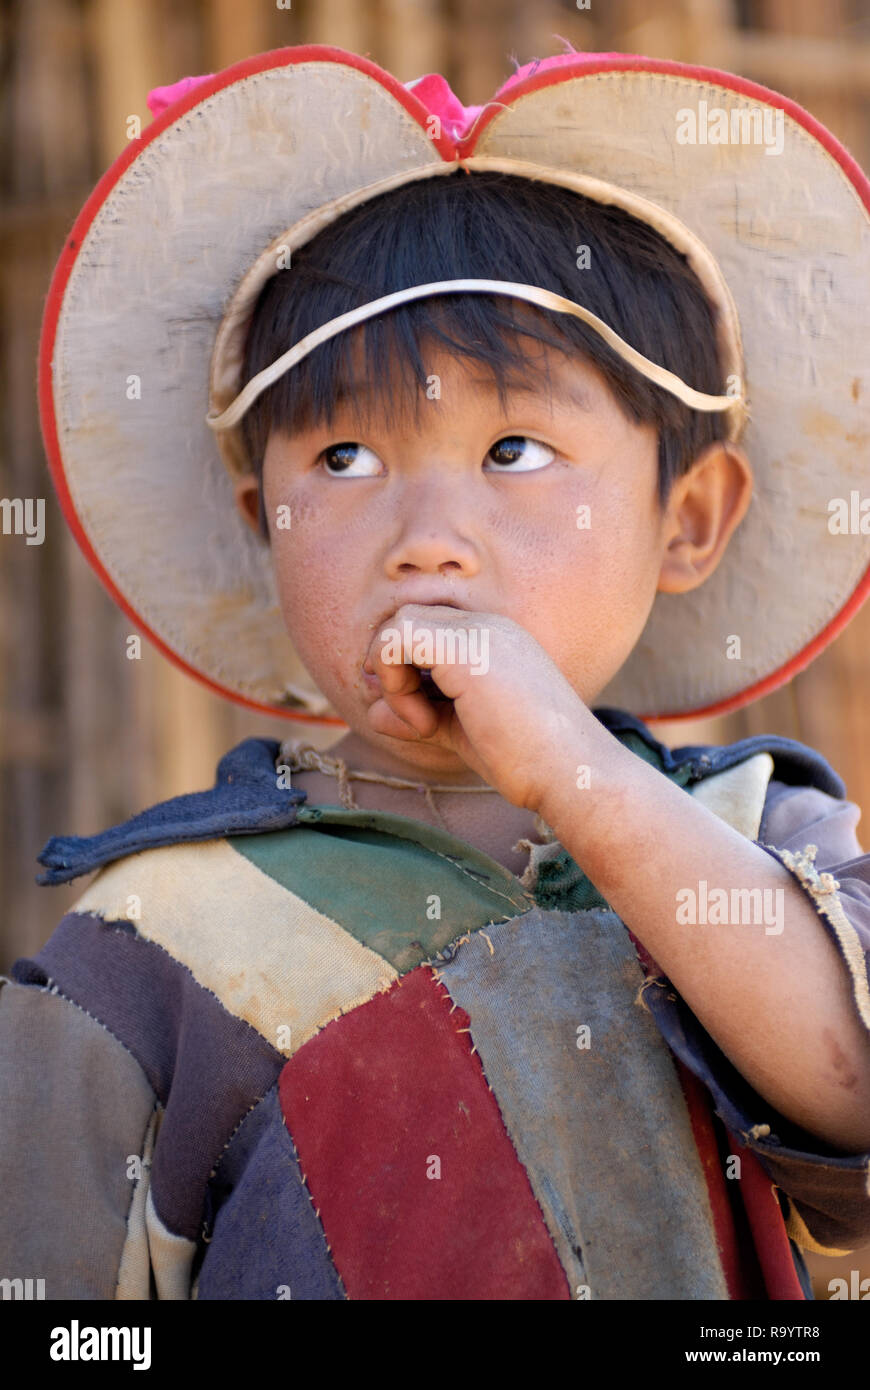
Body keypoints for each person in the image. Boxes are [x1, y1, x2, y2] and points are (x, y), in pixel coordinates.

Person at [2, 42, 869, 1301]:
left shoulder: (761, 845)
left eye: (514, 447)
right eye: (343, 460)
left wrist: (572, 771)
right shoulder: (151, 941)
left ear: (688, 517)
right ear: (263, 521)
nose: (426, 539)